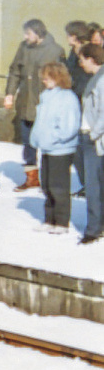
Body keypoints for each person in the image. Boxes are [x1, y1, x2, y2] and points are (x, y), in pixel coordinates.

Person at [5, 19, 65, 191]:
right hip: (25, 104)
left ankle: (50, 180)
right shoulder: (23, 47)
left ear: (38, 33)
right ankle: (31, 178)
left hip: (45, 105)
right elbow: (15, 71)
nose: (25, 37)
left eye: (28, 33)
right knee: (28, 142)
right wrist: (10, 93)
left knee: (48, 143)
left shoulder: (55, 51)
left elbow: (62, 79)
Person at [30, 62, 80, 233]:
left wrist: (54, 139)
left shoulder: (67, 98)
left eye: (48, 76)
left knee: (59, 186)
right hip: (46, 148)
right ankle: (49, 219)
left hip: (60, 149)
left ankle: (61, 222)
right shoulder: (46, 96)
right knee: (46, 185)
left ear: (58, 77)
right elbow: (41, 122)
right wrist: (36, 139)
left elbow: (69, 126)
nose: (44, 80)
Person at [78, 43, 104, 244]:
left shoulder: (101, 80)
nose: (80, 63)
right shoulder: (95, 78)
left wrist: (93, 134)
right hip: (93, 137)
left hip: (95, 139)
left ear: (91, 59)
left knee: (93, 186)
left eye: (82, 59)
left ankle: (93, 230)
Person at [65, 21, 92, 195]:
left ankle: (91, 185)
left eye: (68, 34)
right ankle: (85, 184)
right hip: (74, 103)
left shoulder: (87, 54)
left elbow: (86, 80)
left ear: (75, 37)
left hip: (85, 105)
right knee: (76, 148)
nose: (66, 37)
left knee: (84, 148)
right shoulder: (72, 54)